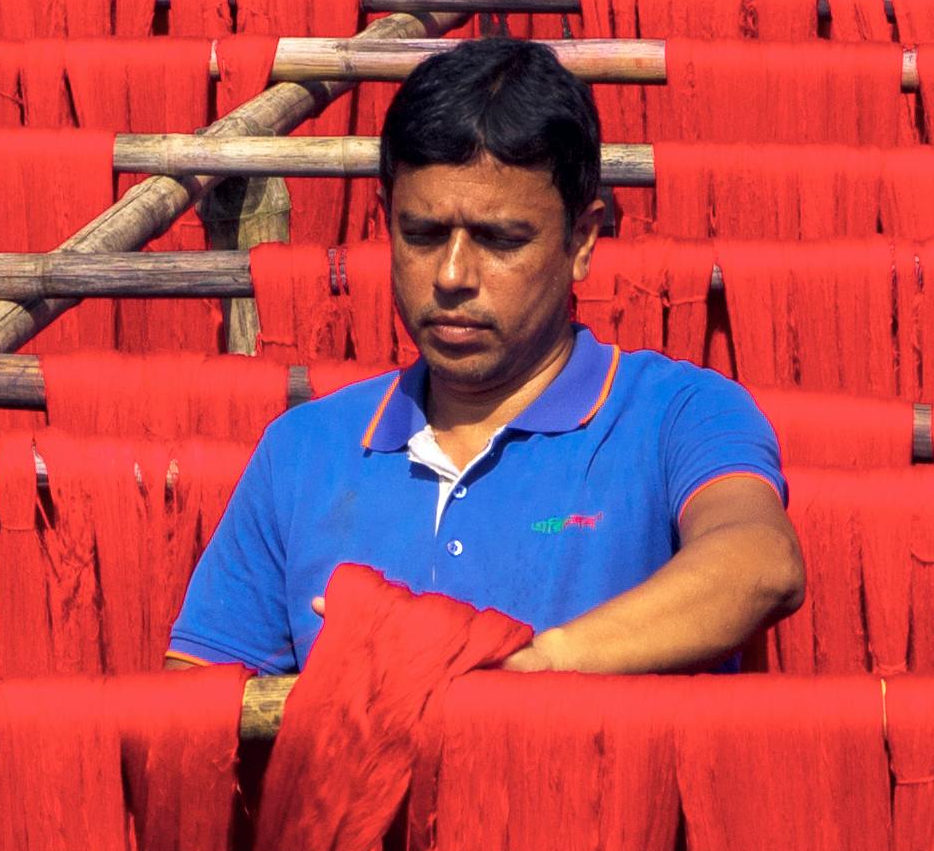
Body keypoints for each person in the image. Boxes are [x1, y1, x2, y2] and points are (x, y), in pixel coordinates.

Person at [166, 38, 805, 678]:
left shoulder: (678, 416)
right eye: (422, 235)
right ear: (384, 222)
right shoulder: (304, 451)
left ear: (583, 240)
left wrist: (533, 668)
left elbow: (760, 563)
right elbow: (196, 708)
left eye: (500, 240)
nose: (451, 275)